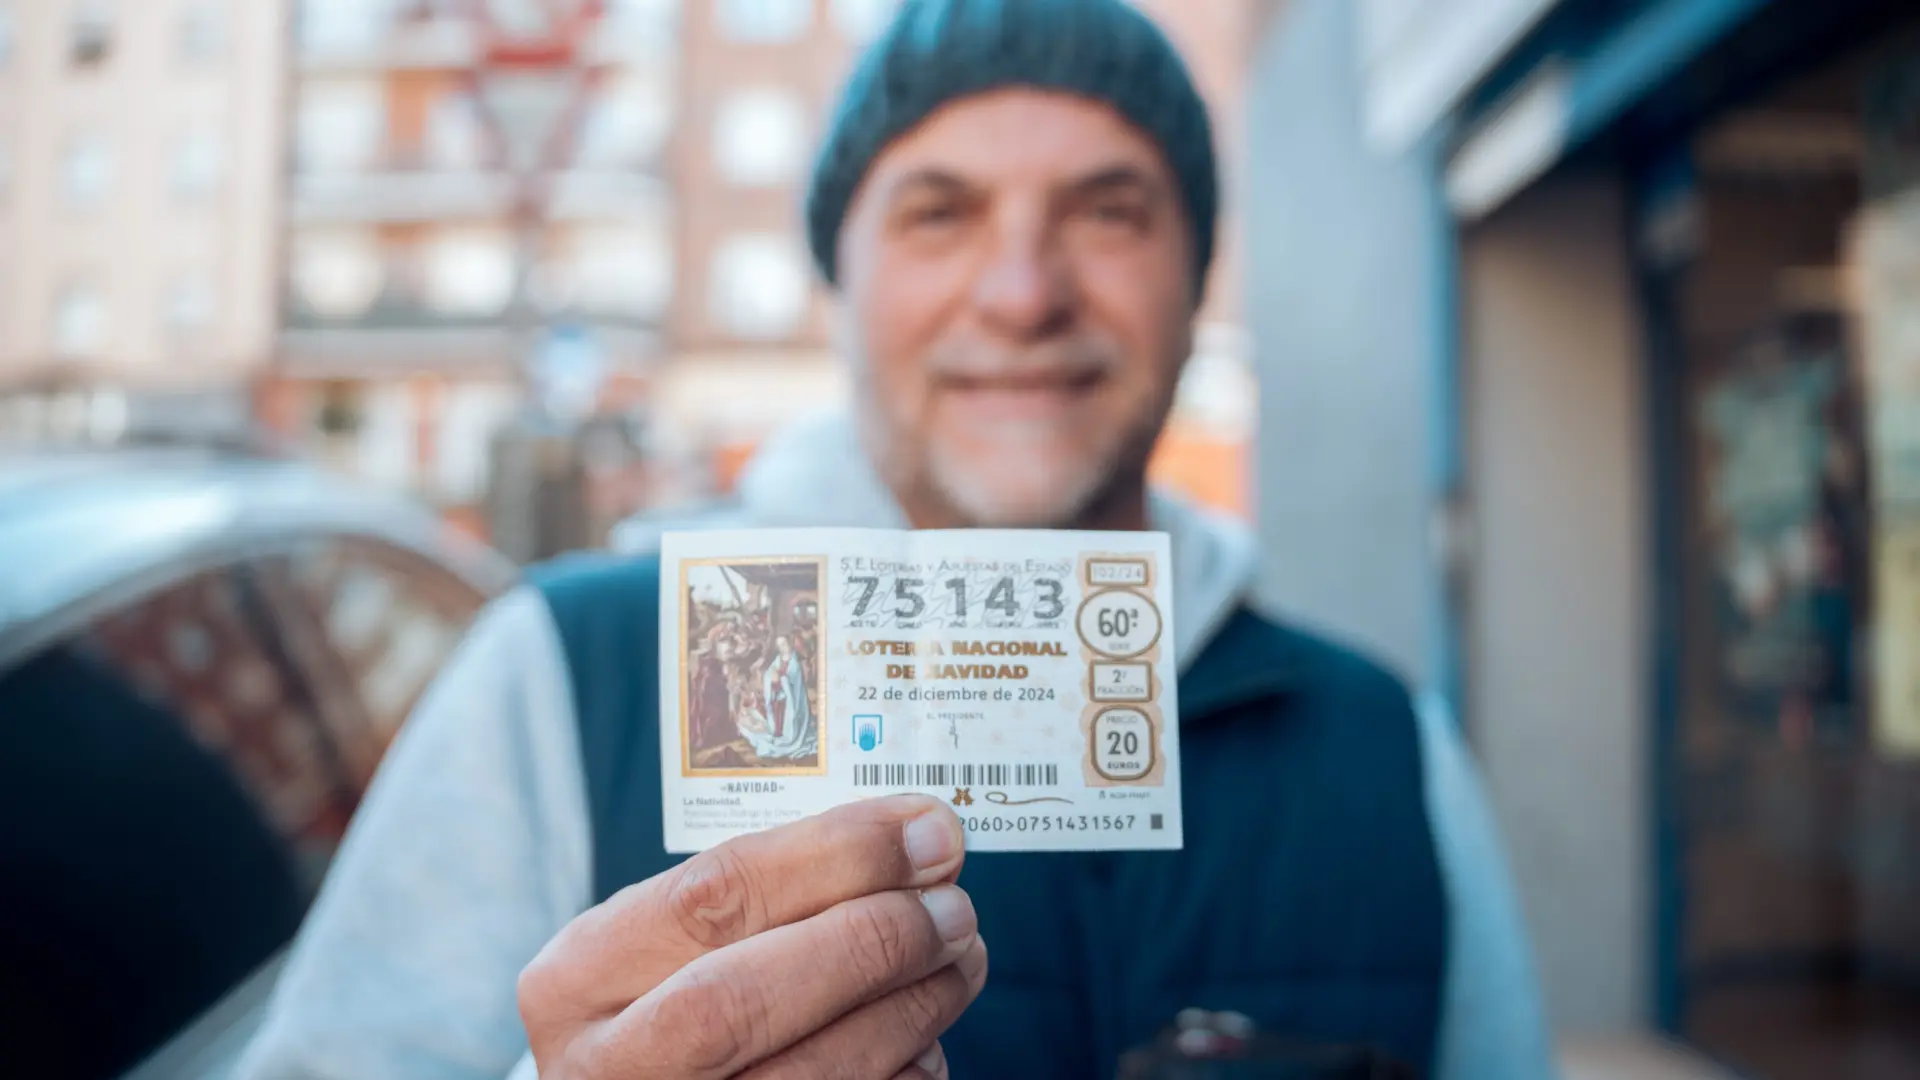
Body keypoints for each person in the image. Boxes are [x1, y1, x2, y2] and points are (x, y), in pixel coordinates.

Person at [237, 1, 1556, 1078]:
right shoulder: (560, 675)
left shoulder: (1386, 742)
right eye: (940, 211)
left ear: (1195, 275)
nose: (1024, 291)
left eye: (1109, 209)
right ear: (838, 277)